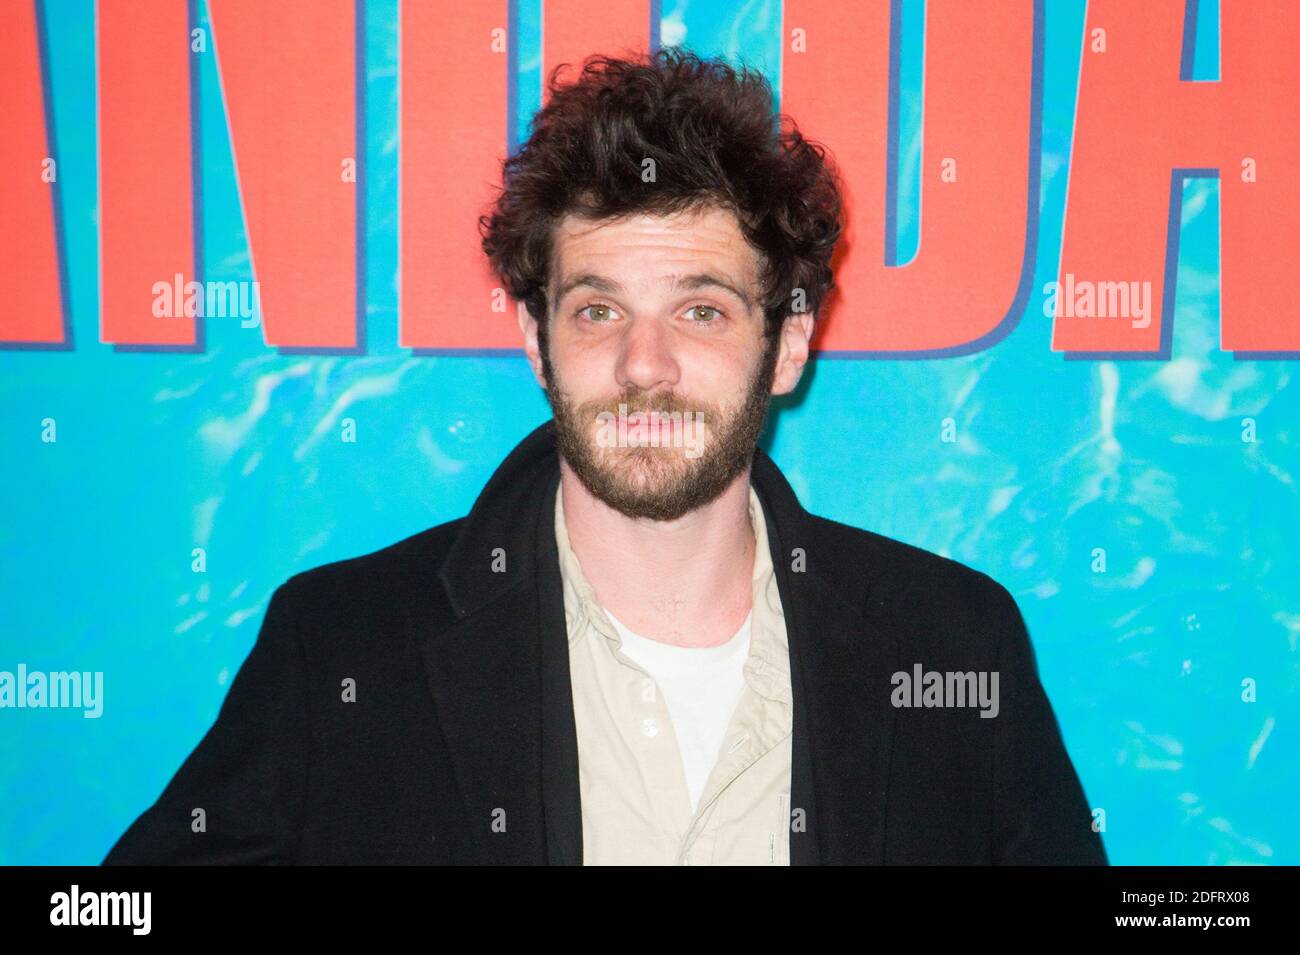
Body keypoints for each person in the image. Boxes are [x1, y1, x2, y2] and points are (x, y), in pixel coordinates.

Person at [103, 48, 1105, 865]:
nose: (644, 364)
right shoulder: (344, 647)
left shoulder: (950, 642)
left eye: (700, 310)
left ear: (788, 341)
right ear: (538, 342)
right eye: (597, 310)